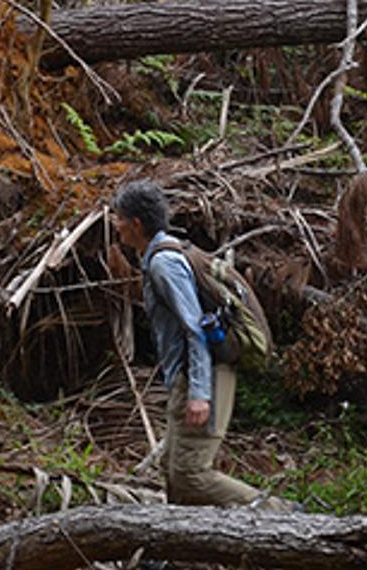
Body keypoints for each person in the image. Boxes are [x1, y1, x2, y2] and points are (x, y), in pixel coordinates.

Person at [110, 180, 263, 507]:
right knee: (173, 472)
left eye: (118, 217)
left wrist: (198, 394)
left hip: (206, 376)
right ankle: (184, 547)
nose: (115, 223)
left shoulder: (164, 265)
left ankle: (284, 516)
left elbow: (194, 329)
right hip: (191, 376)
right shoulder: (163, 254)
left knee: (191, 473)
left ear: (136, 223)